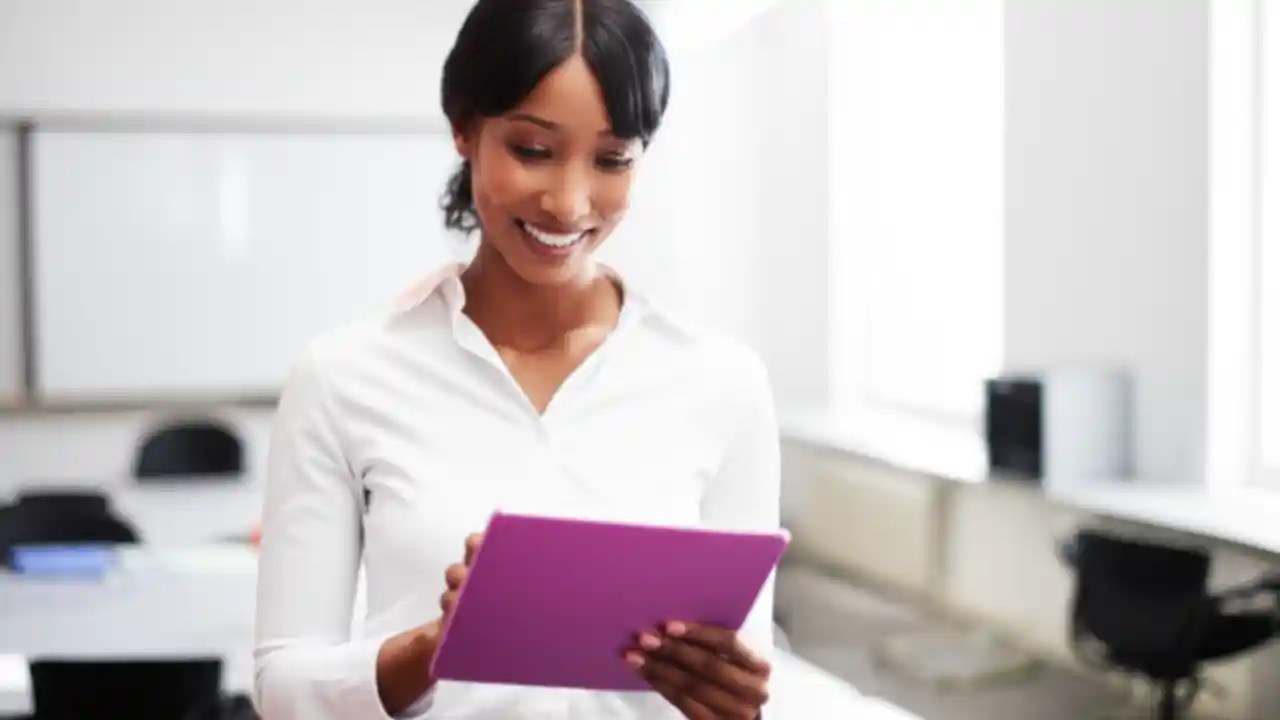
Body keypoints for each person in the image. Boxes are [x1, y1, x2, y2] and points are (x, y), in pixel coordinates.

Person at [253, 0, 781, 717]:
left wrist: (738, 702)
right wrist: (442, 644)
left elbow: (742, 678)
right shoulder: (343, 377)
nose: (569, 203)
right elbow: (284, 691)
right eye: (532, 149)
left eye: (612, 159)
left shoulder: (723, 385)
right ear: (465, 129)